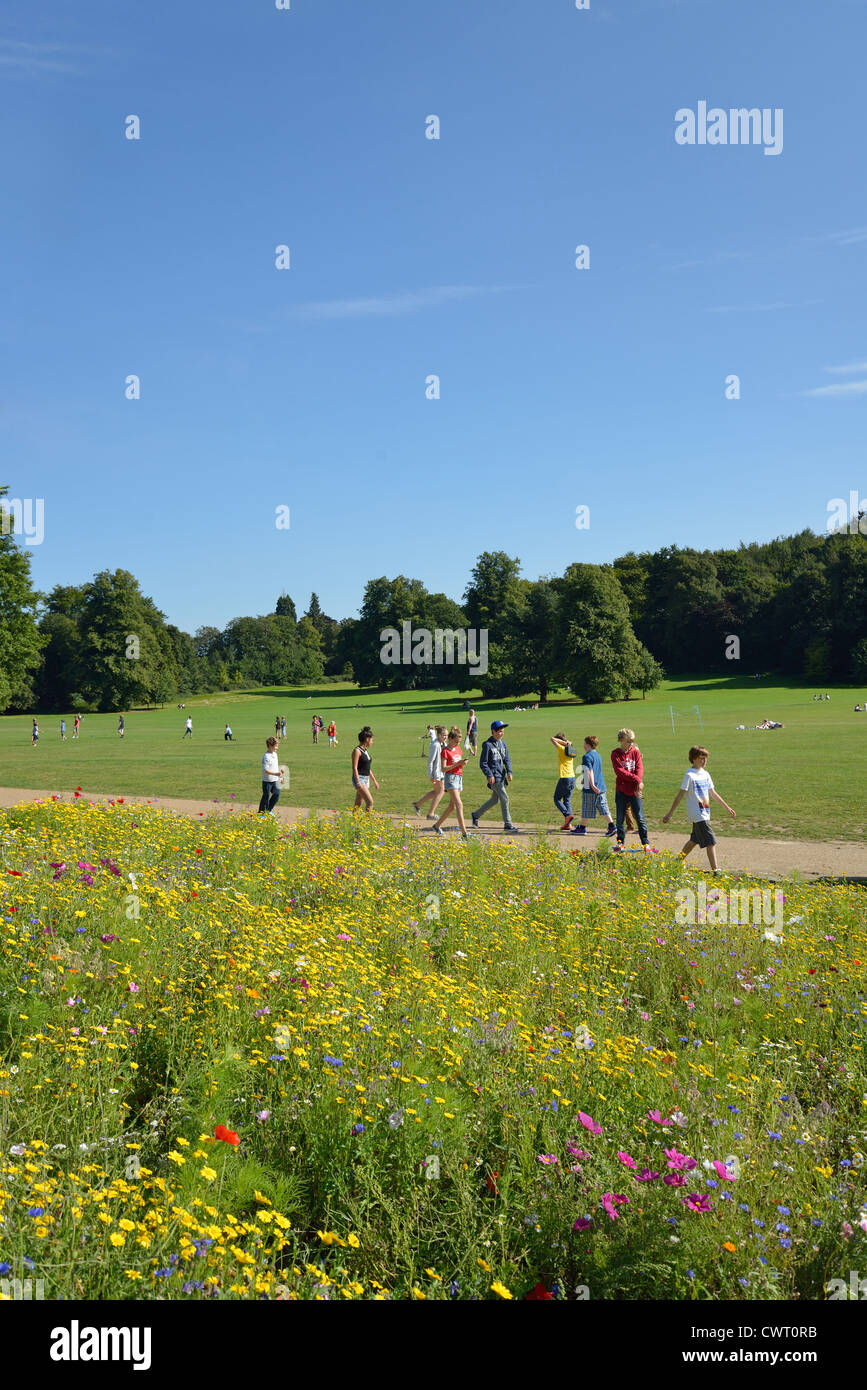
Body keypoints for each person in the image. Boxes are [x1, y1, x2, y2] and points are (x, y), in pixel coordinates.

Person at [662, 745, 735, 873]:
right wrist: (670, 813)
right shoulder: (689, 775)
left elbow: (713, 793)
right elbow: (680, 795)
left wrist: (727, 807)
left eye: (705, 758)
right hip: (697, 813)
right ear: (694, 759)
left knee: (694, 840)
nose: (704, 761)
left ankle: (677, 862)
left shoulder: (706, 774)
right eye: (701, 758)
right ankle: (715, 870)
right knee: (711, 841)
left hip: (705, 811)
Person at [471, 721, 516, 833]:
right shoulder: (487, 745)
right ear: (493, 732)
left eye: (502, 731)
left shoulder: (503, 744)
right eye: (499, 731)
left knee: (494, 800)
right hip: (494, 778)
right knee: (505, 799)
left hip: (501, 776)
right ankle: (508, 824)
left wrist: (509, 771)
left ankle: (475, 815)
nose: (501, 733)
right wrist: (489, 775)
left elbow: (507, 759)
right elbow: (483, 763)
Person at [610, 728, 650, 851]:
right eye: (628, 741)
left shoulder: (635, 752)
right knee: (620, 818)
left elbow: (639, 768)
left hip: (634, 791)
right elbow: (620, 772)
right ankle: (620, 842)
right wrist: (637, 780)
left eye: (633, 741)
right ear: (621, 740)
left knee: (640, 817)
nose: (631, 743)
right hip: (621, 790)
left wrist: (638, 782)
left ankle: (645, 843)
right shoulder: (615, 754)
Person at [432, 727, 474, 837]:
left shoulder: (458, 749)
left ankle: (436, 826)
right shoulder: (445, 751)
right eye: (455, 741)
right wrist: (458, 764)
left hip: (459, 778)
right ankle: (464, 834)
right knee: (459, 804)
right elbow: (443, 768)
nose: (457, 744)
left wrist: (463, 763)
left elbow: (458, 764)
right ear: (450, 739)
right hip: (450, 778)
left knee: (452, 806)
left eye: (459, 742)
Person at [571, 735, 616, 837]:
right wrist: (584, 780)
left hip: (591, 787)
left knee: (587, 807)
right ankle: (610, 826)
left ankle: (610, 826)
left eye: (584, 744)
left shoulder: (586, 756)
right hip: (601, 785)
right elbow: (595, 770)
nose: (583, 745)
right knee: (602, 806)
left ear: (588, 745)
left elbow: (589, 771)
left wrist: (591, 785)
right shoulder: (598, 755)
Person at [414, 724, 447, 820]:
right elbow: (430, 761)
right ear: (439, 735)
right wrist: (431, 775)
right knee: (441, 791)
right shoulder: (435, 745)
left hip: (441, 772)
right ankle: (430, 814)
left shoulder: (443, 744)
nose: (445, 737)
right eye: (443, 735)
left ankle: (418, 804)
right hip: (436, 773)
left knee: (436, 791)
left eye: (446, 735)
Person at [549, 732, 578, 831]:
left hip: (565, 777)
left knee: (556, 799)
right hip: (572, 778)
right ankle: (568, 825)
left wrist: (563, 743)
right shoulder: (571, 749)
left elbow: (552, 739)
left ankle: (567, 815)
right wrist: (567, 742)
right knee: (567, 800)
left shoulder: (562, 749)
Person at [352, 727, 379, 811]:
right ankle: (367, 822)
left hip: (366, 779)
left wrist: (374, 781)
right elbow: (354, 768)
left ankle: (354, 821)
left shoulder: (365, 751)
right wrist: (358, 782)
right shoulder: (357, 751)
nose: (372, 742)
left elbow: (367, 768)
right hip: (359, 779)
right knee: (370, 802)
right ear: (367, 739)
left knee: (358, 802)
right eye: (372, 740)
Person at [258, 735, 284, 816]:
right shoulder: (266, 756)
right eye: (276, 746)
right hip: (267, 781)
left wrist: (280, 776)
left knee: (277, 794)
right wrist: (276, 774)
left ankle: (268, 810)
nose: (277, 748)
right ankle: (261, 813)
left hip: (275, 780)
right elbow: (266, 770)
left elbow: (275, 767)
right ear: (270, 746)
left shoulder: (275, 754)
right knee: (265, 797)